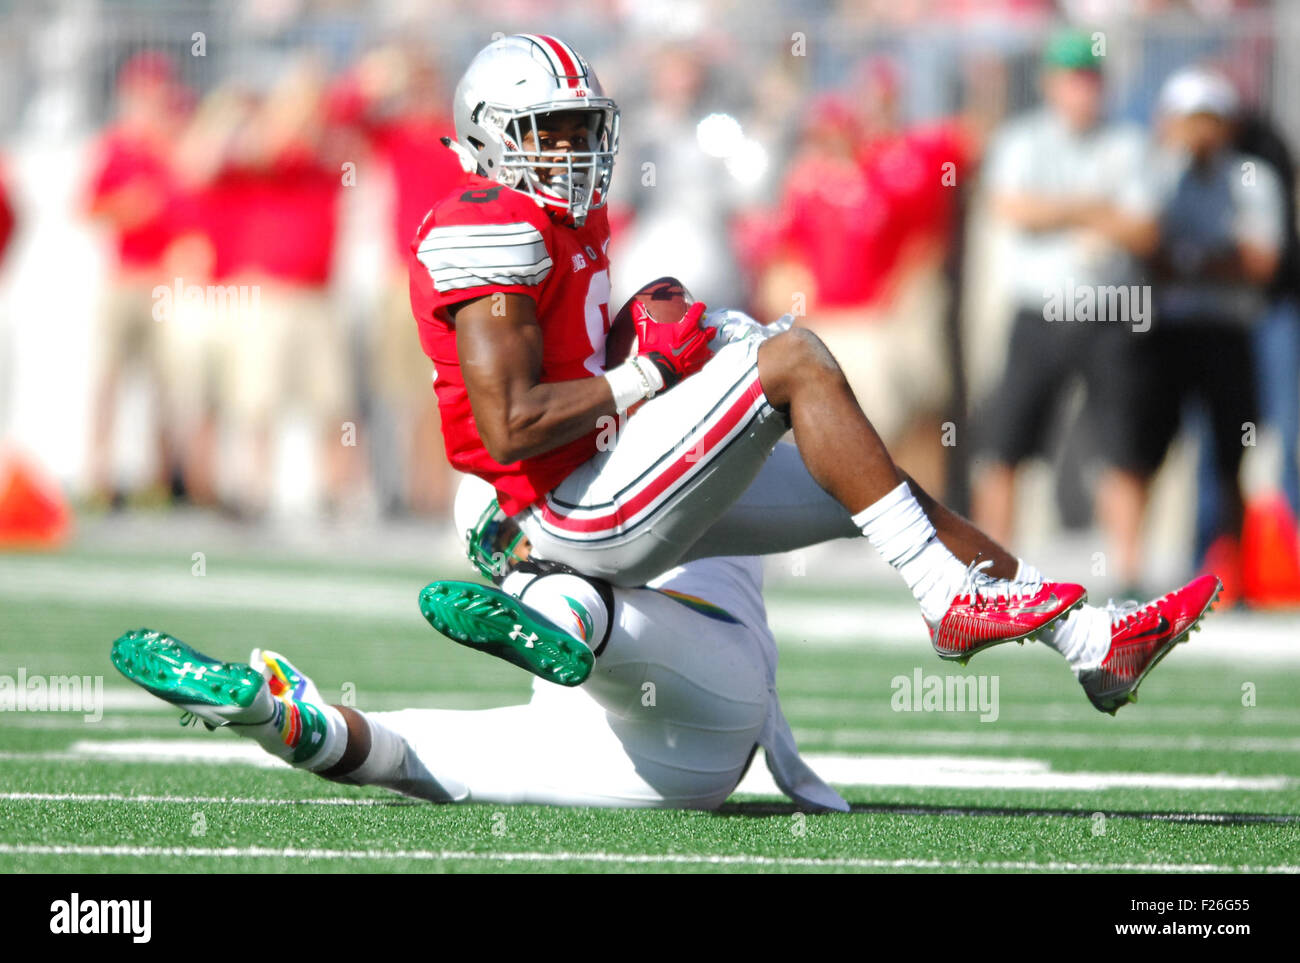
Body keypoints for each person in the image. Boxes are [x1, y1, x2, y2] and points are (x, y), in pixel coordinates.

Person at [410, 34, 1219, 714]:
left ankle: (1094, 642)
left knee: (878, 485)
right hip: (565, 507)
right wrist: (654, 371)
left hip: (600, 471)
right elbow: (510, 423)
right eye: (550, 131)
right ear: (488, 136)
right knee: (795, 358)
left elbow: (573, 364)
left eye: (583, 128)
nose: (574, 150)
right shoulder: (488, 227)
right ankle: (945, 600)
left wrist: (662, 339)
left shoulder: (562, 218)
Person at [107, 506, 849, 812]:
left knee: (411, 747)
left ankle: (276, 717)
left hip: (596, 718)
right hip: (683, 736)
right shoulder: (733, 459)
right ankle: (273, 713)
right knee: (405, 750)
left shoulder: (578, 439)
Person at [972, 30, 1159, 594]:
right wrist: (1093, 208)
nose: (1084, 90)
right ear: (1053, 83)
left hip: (1110, 311)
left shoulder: (1129, 142)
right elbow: (1011, 208)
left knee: (1122, 447)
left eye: (1091, 78)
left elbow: (1144, 229)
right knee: (1006, 443)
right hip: (1040, 311)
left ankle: (1128, 573)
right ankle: (993, 572)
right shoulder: (1023, 140)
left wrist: (1066, 213)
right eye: (1074, 78)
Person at [1139, 67, 1286, 602]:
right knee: (1148, 450)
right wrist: (1205, 261)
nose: (1199, 133)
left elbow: (1258, 261)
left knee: (1231, 455)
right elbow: (1144, 247)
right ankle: (1136, 573)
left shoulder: (1253, 177)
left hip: (1226, 330)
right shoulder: (1157, 174)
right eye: (1190, 120)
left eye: (1209, 120)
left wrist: (1188, 260)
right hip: (1171, 329)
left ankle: (1233, 577)